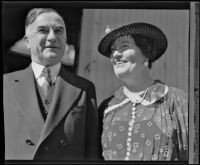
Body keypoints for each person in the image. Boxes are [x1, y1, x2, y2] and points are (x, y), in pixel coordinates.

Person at [3, 8, 101, 160]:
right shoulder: (5, 84)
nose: (52, 37)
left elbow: (92, 152)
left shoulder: (85, 89)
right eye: (43, 30)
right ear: (27, 41)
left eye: (58, 31)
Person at [97, 22, 188, 161]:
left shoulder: (177, 101)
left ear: (146, 54)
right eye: (112, 49)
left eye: (124, 46)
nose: (115, 54)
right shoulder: (107, 108)